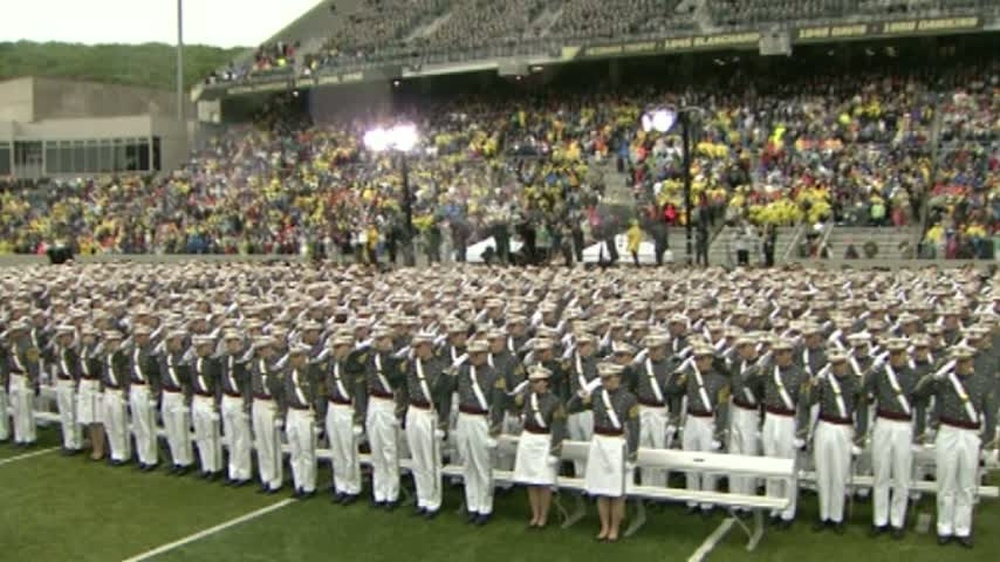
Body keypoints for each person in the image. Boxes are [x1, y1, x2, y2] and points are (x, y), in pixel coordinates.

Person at [915, 344, 998, 548]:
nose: (961, 365)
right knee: (946, 482)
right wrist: (939, 371)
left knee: (966, 484)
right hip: (948, 432)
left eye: (965, 360)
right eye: (958, 361)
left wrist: (986, 442)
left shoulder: (982, 383)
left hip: (970, 434)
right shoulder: (943, 381)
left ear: (972, 361)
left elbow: (989, 414)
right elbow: (919, 392)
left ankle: (963, 529)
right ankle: (944, 527)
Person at [857, 337, 923, 539]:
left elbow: (919, 407)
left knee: (901, 476)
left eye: (899, 354)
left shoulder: (914, 376)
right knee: (881, 473)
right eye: (892, 354)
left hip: (904, 426)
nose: (896, 358)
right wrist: (875, 367)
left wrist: (918, 435)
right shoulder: (879, 374)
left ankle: (897, 521)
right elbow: (863, 389)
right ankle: (880, 519)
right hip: (883, 424)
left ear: (905, 354)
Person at [568, 362, 639, 543]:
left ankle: (614, 527)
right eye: (603, 379)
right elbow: (571, 407)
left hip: (616, 444)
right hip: (599, 442)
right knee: (601, 489)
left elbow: (634, 426)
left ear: (618, 378)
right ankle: (604, 526)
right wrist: (581, 393)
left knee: (615, 490)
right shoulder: (597, 395)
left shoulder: (628, 398)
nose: (606, 382)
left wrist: (632, 452)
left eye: (609, 378)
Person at [441, 338, 507, 525]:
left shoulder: (495, 375)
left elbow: (499, 405)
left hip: (481, 420)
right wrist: (449, 371)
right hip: (463, 418)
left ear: (486, 354)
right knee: (467, 463)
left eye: (478, 354)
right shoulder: (462, 371)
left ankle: (485, 507)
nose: (475, 358)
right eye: (471, 355)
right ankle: (472, 505)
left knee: (482, 465)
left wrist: (495, 429)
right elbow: (443, 389)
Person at [804, 349, 865, 534]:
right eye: (835, 364)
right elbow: (809, 402)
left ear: (846, 364)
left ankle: (837, 516)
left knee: (839, 475)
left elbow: (862, 412)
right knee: (823, 474)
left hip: (843, 429)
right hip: (824, 426)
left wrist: (859, 439)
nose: (838, 367)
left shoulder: (856, 383)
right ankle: (824, 515)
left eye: (841, 364)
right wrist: (813, 385)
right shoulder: (822, 382)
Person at [669, 343, 731, 514]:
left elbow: (723, 408)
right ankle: (692, 500)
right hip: (691, 419)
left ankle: (707, 503)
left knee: (708, 462)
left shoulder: (720, 380)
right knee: (690, 460)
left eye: (703, 358)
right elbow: (672, 389)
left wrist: (719, 433)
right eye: (696, 358)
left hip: (708, 421)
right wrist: (681, 368)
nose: (699, 362)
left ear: (711, 359)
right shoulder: (689, 375)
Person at [755, 339, 809, 528]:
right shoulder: (769, 370)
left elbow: (804, 406)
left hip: (788, 421)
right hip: (770, 419)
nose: (779, 356)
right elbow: (747, 378)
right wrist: (765, 357)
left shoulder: (801, 375)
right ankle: (773, 506)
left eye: (783, 352)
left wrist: (801, 433)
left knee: (787, 467)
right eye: (776, 353)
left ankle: (788, 511)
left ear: (791, 353)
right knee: (771, 464)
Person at [355, 328, 406, 508]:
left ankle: (392, 494)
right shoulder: (369, 357)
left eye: (383, 339)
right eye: (378, 339)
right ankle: (379, 492)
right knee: (376, 450)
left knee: (389, 450)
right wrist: (364, 345)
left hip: (388, 403)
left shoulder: (395, 359)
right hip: (373, 403)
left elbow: (397, 380)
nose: (381, 342)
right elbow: (350, 365)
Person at [512, 364, 566, 529]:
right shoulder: (528, 397)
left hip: (544, 440)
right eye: (533, 382)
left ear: (546, 382)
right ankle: (535, 515)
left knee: (543, 482)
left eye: (539, 381)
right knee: (531, 482)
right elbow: (516, 408)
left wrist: (554, 450)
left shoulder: (555, 402)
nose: (536, 385)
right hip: (528, 438)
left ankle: (543, 516)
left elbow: (558, 427)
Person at [402, 332, 450, 518]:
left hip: (429, 412)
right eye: (416, 347)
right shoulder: (412, 365)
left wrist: (443, 423)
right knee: (418, 458)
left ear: (429, 346)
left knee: (431, 459)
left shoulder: (440, 366)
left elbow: (444, 398)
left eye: (420, 346)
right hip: (413, 410)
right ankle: (422, 497)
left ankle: (433, 501)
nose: (417, 350)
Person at [322, 332, 364, 505]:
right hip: (333, 407)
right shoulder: (331, 364)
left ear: (348, 348)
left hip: (348, 408)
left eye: (340, 347)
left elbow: (360, 393)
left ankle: (353, 487)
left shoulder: (354, 367)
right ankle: (341, 485)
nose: (336, 350)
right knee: (337, 450)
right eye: (335, 347)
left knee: (349, 452)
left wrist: (359, 418)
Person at [627, 333, 671, 488]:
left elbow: (674, 393)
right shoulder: (640, 366)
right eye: (650, 349)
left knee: (660, 448)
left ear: (663, 349)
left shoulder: (670, 366)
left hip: (660, 411)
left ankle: (660, 487)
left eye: (656, 349)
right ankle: (646, 486)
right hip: (643, 408)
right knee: (643, 447)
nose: (653, 352)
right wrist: (635, 361)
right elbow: (628, 383)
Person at [282, 343, 321, 499]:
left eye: (298, 356)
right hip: (292, 412)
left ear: (305, 357)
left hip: (307, 412)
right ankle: (299, 484)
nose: (295, 360)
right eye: (292, 356)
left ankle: (309, 486)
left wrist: (319, 419)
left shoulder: (312, 373)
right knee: (295, 451)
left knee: (307, 451)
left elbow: (319, 395)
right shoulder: (288, 373)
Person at [727, 334, 763, 499]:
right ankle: (735, 495)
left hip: (752, 412)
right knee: (735, 452)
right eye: (739, 348)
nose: (740, 351)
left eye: (743, 347)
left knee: (748, 453)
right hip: (736, 409)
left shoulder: (762, 366)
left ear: (753, 346)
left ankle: (748, 496)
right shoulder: (737, 365)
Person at [249, 335, 284, 494]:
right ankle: (266, 477)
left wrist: (281, 411)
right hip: (258, 402)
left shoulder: (277, 364)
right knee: (262, 443)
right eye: (261, 349)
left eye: (267, 348)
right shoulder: (255, 364)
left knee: (272, 444)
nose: (265, 352)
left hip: (271, 403)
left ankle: (275, 480)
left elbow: (281, 389)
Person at [157, 329, 194, 475]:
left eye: (177, 341)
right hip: (167, 393)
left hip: (179, 394)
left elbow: (189, 380)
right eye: (172, 341)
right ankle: (176, 459)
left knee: (181, 430)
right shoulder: (165, 357)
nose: (175, 344)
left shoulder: (184, 358)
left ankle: (185, 461)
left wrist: (187, 396)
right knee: (171, 430)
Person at [219, 330, 252, 486]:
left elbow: (247, 383)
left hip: (239, 399)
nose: (231, 345)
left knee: (241, 438)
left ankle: (243, 473)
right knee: (230, 436)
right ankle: (234, 471)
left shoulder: (244, 359)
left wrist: (246, 402)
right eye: (228, 342)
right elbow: (220, 380)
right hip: (227, 398)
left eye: (234, 342)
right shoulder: (225, 358)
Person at [564, 333, 599, 477]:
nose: (581, 348)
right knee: (576, 447)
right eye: (579, 345)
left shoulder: (599, 364)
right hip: (574, 409)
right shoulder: (572, 365)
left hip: (589, 410)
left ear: (593, 346)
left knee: (590, 446)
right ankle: (580, 478)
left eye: (585, 345)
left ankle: (593, 478)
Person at [190, 335, 223, 480]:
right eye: (200, 347)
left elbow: (217, 383)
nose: (203, 350)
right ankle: (206, 466)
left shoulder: (214, 363)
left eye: (205, 347)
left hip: (209, 398)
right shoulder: (193, 362)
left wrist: (217, 401)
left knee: (211, 435)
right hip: (198, 397)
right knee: (201, 435)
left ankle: (215, 467)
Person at [128, 324, 160, 471]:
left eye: (142, 336)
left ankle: (150, 458)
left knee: (147, 425)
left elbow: (155, 374)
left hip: (145, 388)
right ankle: (142, 455)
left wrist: (154, 392)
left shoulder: (152, 352)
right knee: (138, 424)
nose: (139, 339)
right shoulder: (133, 350)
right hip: (134, 387)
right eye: (137, 336)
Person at [6, 321, 40, 447]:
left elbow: (34, 365)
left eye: (16, 331)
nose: (14, 334)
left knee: (26, 409)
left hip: (24, 377)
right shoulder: (10, 345)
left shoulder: (30, 346)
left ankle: (29, 437)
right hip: (13, 377)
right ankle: (19, 437)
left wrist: (34, 380)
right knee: (17, 409)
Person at [100, 330, 131, 465]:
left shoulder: (121, 357)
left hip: (118, 390)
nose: (108, 345)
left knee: (119, 424)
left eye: (112, 342)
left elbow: (126, 374)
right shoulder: (105, 356)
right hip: (108, 390)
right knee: (110, 423)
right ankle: (115, 452)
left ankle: (123, 453)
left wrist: (125, 389)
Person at [52, 325, 83, 455]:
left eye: (66, 336)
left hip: (70, 382)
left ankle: (75, 443)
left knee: (72, 414)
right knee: (65, 413)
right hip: (61, 382)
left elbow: (77, 369)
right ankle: (68, 441)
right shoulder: (60, 350)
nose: (63, 339)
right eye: (61, 337)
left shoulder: (73, 351)